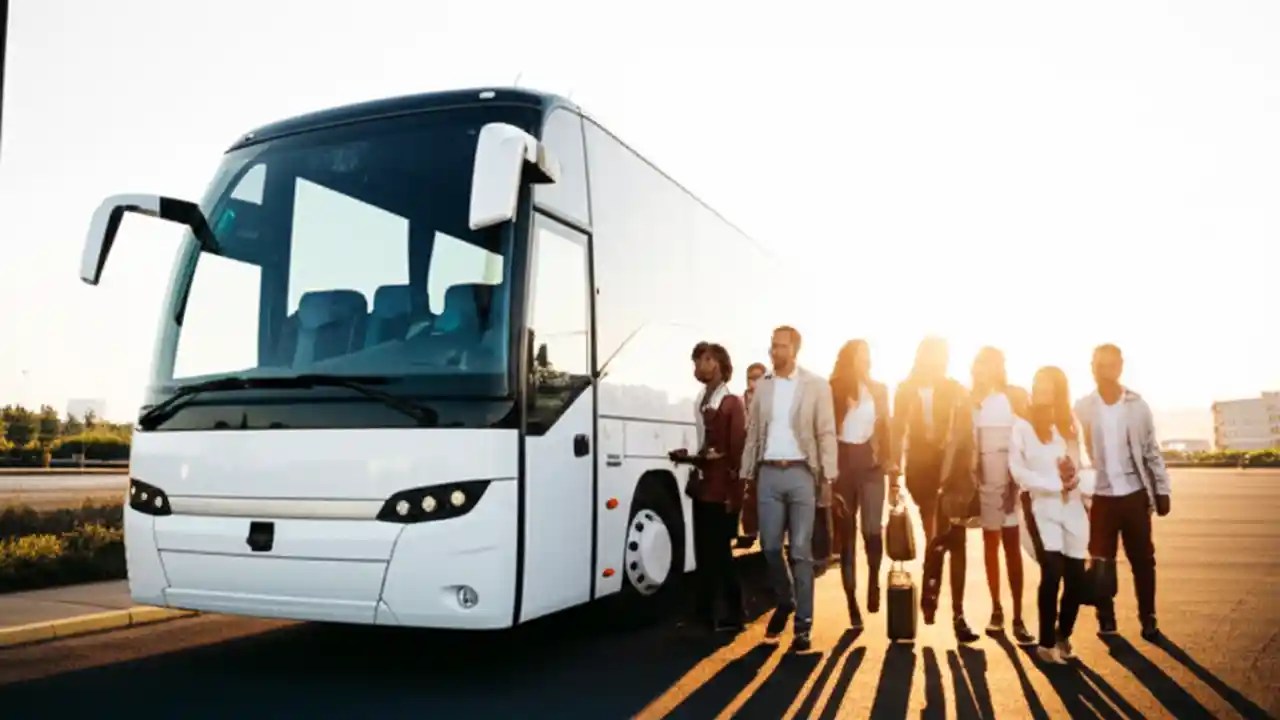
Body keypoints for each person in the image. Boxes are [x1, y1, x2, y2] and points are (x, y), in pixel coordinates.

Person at [740, 325, 839, 652]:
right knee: (769, 547)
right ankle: (787, 600)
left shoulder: (815, 386)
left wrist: (828, 475)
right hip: (768, 472)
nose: (774, 351)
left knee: (800, 551)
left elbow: (825, 431)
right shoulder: (764, 387)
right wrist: (746, 473)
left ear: (794, 349)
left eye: (780, 346)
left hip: (801, 473)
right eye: (772, 345)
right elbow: (754, 431)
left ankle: (803, 628)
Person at [1074, 343, 1172, 641]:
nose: (1104, 371)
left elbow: (1151, 450)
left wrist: (1162, 489)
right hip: (1100, 496)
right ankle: (1106, 619)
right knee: (1101, 562)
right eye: (1098, 365)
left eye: (1110, 365)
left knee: (1143, 559)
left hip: (1134, 494)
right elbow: (1074, 450)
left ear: (1120, 367)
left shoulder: (1137, 406)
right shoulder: (1082, 408)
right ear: (1092, 368)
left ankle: (1148, 616)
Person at [892, 336, 980, 642]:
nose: (935, 362)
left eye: (940, 357)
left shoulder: (956, 390)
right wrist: (893, 472)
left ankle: (955, 613)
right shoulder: (906, 389)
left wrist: (966, 473)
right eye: (929, 356)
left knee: (956, 541)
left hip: (954, 472)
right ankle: (932, 599)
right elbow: (897, 428)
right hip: (922, 473)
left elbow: (967, 433)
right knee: (938, 535)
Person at [1009, 366, 1091, 664]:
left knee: (1077, 577)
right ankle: (1045, 644)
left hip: (1072, 506)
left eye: (1046, 384)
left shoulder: (1069, 423)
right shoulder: (1022, 425)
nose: (1040, 388)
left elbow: (1078, 463)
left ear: (1058, 389)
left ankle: (1062, 635)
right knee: (1052, 571)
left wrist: (1075, 481)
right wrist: (1054, 484)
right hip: (1039, 505)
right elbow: (1018, 471)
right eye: (1036, 383)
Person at [671, 343, 748, 633]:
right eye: (696, 360)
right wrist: (690, 456)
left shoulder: (731, 403)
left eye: (703, 360)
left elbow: (737, 451)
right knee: (704, 551)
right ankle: (705, 614)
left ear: (717, 364)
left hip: (721, 489)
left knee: (719, 554)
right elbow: (705, 445)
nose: (698, 366)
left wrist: (734, 494)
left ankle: (734, 613)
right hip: (705, 487)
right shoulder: (702, 400)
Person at [829, 339, 896, 630]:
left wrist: (894, 470)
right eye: (860, 354)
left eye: (868, 354)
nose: (866, 359)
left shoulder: (879, 390)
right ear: (849, 358)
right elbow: (827, 429)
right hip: (843, 468)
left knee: (872, 530)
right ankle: (851, 604)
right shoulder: (834, 389)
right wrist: (846, 410)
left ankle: (873, 580)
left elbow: (887, 430)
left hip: (872, 467)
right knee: (847, 538)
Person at [970, 347, 1036, 645]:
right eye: (980, 364)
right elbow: (968, 444)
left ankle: (1018, 617)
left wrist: (1015, 481)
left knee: (1011, 547)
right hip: (984, 481)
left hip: (1009, 482)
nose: (984, 369)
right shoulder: (971, 401)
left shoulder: (1014, 397)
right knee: (990, 545)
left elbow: (1024, 440)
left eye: (990, 364)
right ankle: (996, 610)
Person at [736, 362, 769, 549]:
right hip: (747, 452)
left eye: (758, 377)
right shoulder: (741, 400)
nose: (754, 381)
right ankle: (749, 532)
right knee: (747, 496)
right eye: (751, 377)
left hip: (766, 453)